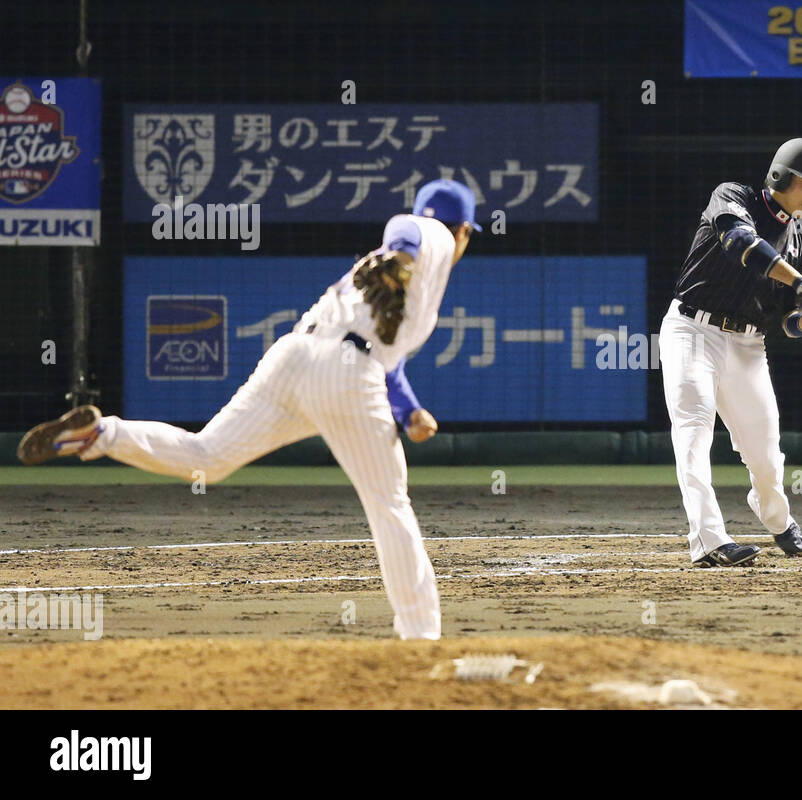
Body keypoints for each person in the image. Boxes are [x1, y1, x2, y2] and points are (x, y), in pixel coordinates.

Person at [17, 179, 482, 640]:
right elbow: (411, 229)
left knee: (206, 457)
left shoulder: (400, 284)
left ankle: (101, 434)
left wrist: (410, 411)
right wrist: (399, 255)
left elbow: (387, 359)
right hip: (343, 374)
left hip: (295, 356)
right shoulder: (435, 237)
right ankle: (421, 639)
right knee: (389, 504)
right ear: (463, 229)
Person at [659, 138, 802, 567]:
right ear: (779, 176)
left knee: (765, 456)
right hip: (691, 330)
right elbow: (739, 240)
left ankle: (776, 517)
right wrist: (801, 285)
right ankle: (708, 540)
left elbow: (789, 323)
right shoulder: (732, 196)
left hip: (748, 345)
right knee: (693, 431)